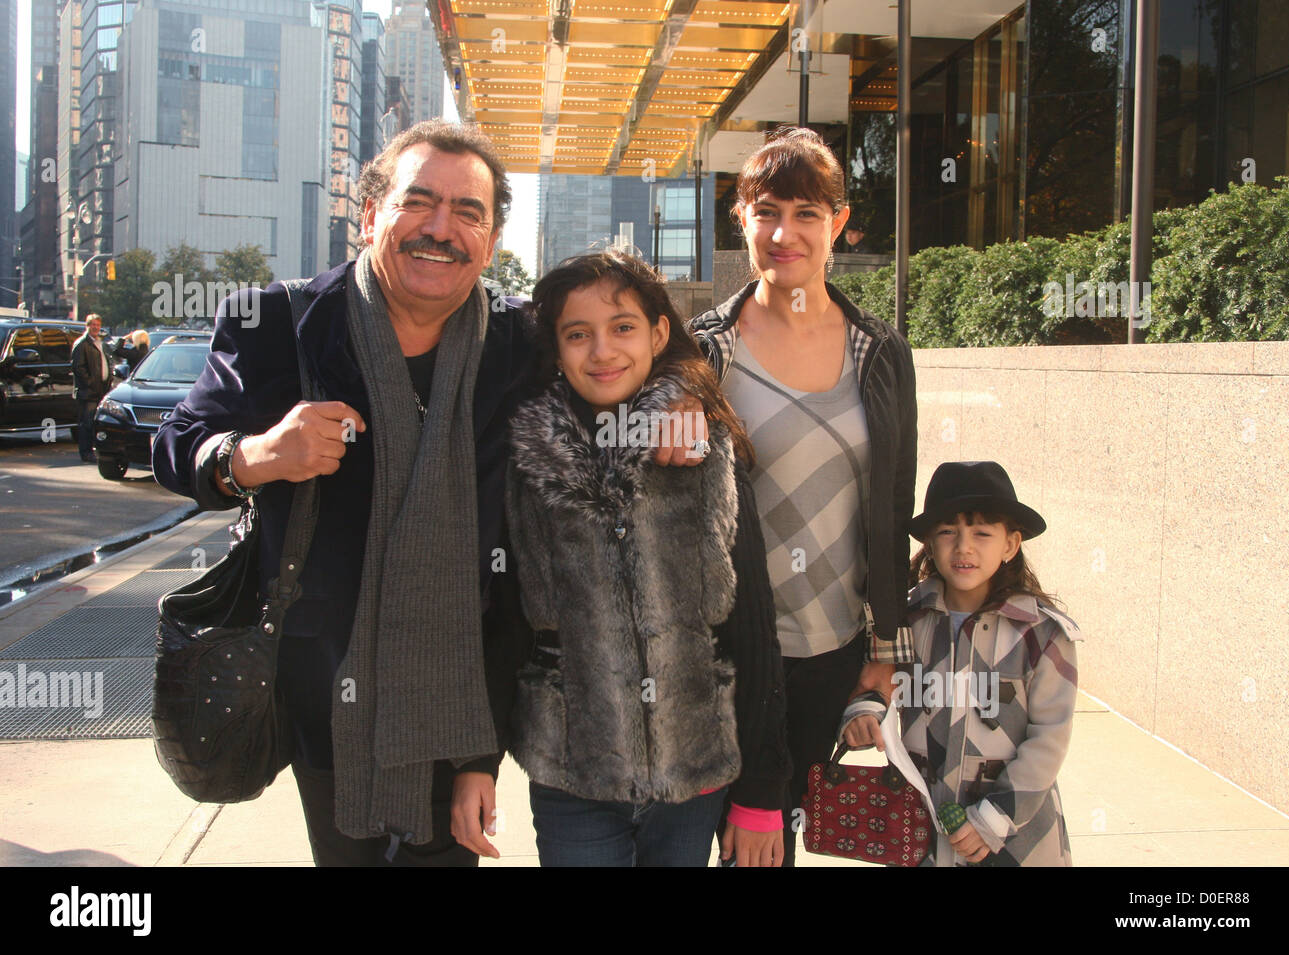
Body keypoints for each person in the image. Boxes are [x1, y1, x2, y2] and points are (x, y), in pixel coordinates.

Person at [153, 120, 706, 867]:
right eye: (419, 202)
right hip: (326, 691)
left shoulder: (520, 342)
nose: (441, 230)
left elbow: (625, 356)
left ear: (492, 234)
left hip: (463, 696)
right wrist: (253, 456)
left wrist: (678, 396)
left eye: (468, 213)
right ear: (371, 210)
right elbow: (177, 445)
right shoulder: (278, 324)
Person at [506, 251, 791, 867]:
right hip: (572, 768)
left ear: (659, 333)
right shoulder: (528, 456)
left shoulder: (702, 445)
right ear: (555, 350)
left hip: (693, 766)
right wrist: (475, 762)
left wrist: (764, 791)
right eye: (577, 335)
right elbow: (503, 617)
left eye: (623, 328)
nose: (602, 351)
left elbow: (753, 626)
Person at [690, 127, 918, 865]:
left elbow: (893, 505)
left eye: (807, 213)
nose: (785, 233)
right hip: (726, 652)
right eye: (766, 211)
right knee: (721, 837)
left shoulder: (879, 353)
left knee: (776, 838)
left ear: (838, 225)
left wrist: (886, 649)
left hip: (830, 651)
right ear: (742, 219)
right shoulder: (706, 351)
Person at [841, 460, 1080, 866]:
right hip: (922, 832)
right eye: (948, 532)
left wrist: (994, 820)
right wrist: (863, 712)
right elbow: (876, 685)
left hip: (1015, 842)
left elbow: (1049, 739)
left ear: (1010, 544)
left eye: (982, 533)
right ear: (930, 544)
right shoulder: (903, 620)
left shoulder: (1042, 634)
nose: (964, 547)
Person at [71, 313, 111, 462]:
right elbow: (78, 367)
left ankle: (94, 449)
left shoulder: (99, 342)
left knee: (96, 423)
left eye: (98, 325)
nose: (95, 327)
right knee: (86, 424)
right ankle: (86, 452)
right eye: (93, 325)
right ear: (87, 326)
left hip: (100, 390)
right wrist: (91, 384)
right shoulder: (82, 344)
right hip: (88, 392)